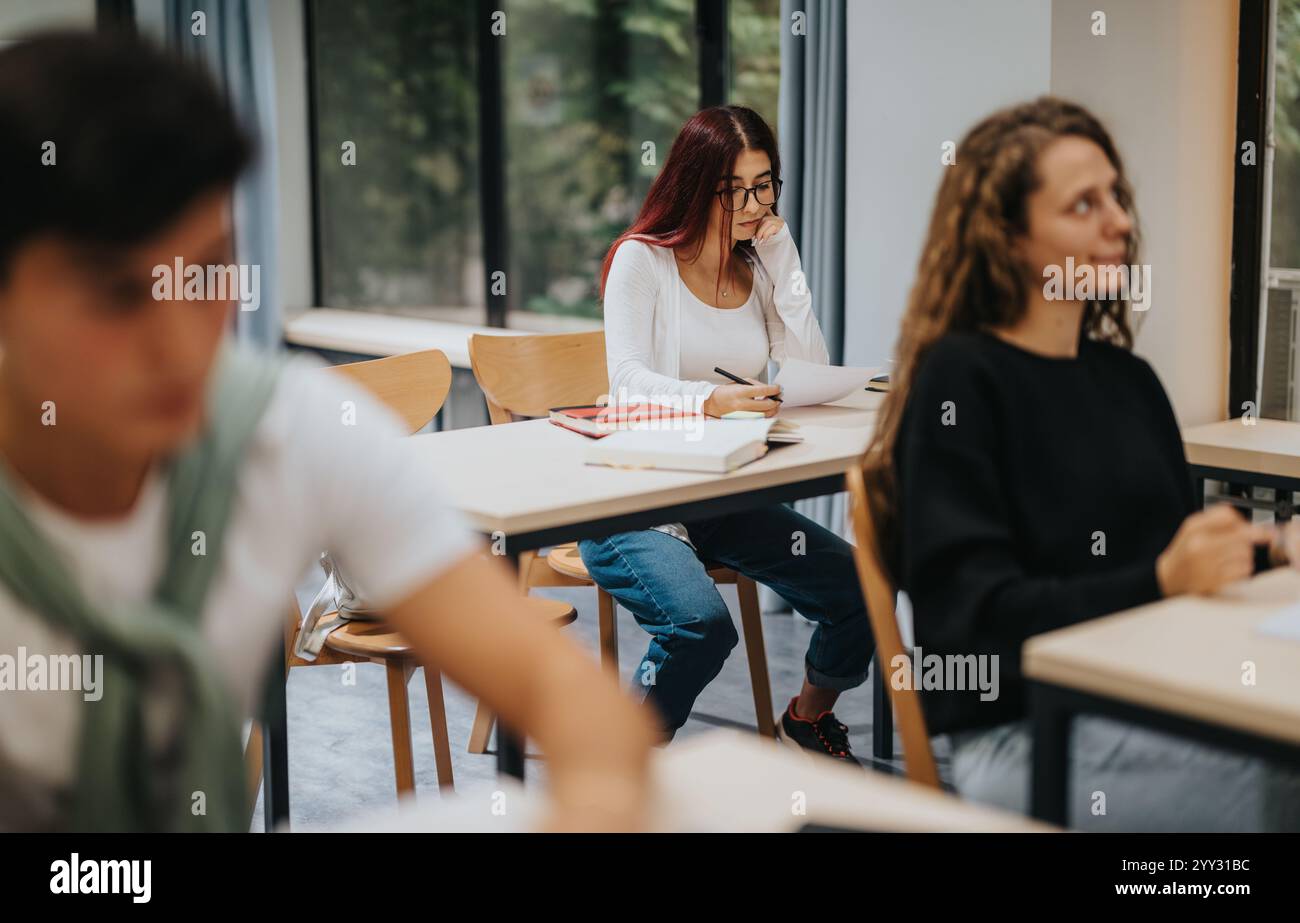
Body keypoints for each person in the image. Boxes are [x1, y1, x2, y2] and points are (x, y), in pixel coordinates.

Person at [0, 30, 655, 833]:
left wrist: (594, 798)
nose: (181, 346)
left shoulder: (289, 428)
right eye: (118, 295)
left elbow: (565, 693)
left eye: (208, 272)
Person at [864, 96, 1300, 831]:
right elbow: (971, 626)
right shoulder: (960, 380)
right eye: (1083, 204)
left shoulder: (1128, 381)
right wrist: (1163, 578)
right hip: (1023, 737)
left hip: (1155, 700)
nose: (1120, 222)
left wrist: (1270, 552)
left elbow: (1171, 572)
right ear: (1006, 237)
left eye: (1117, 197)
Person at [580, 106, 874, 758]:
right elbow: (626, 382)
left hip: (722, 494)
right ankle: (623, 765)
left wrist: (783, 254)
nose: (752, 203)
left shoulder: (759, 263)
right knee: (700, 624)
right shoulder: (642, 260)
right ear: (694, 183)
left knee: (859, 589)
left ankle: (805, 720)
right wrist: (713, 399)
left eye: (764, 184)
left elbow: (812, 369)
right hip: (632, 499)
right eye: (734, 188)